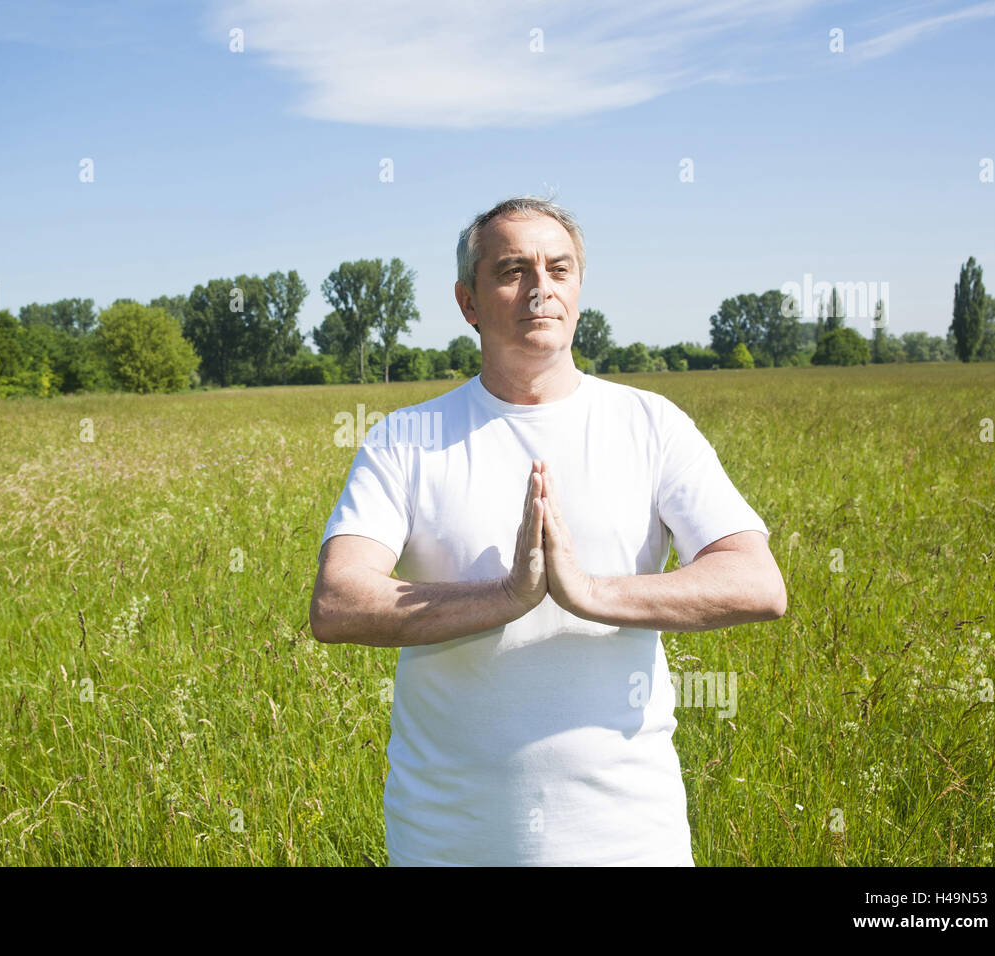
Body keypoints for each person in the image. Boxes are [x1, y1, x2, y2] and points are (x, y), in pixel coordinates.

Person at [309, 195, 787, 866]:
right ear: (467, 301)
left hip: (629, 841)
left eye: (558, 269)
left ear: (578, 289)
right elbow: (337, 602)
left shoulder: (651, 424)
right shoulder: (406, 438)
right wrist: (504, 599)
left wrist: (587, 591)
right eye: (512, 270)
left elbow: (757, 583)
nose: (540, 289)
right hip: (448, 842)